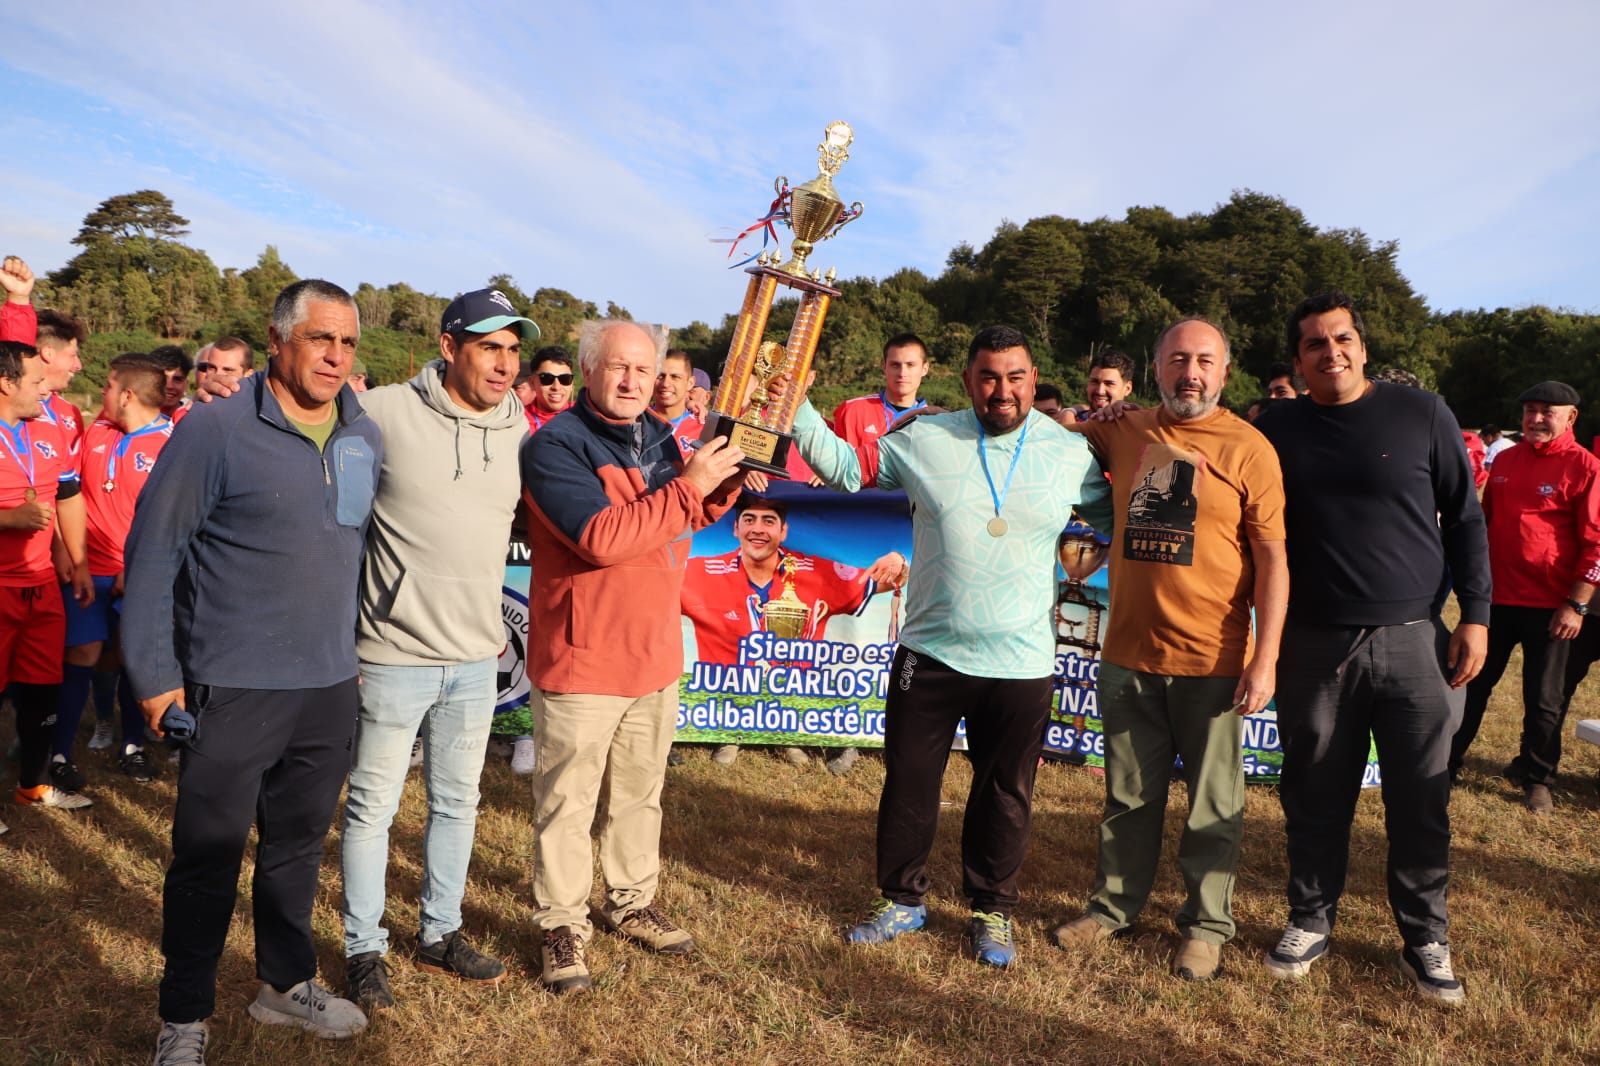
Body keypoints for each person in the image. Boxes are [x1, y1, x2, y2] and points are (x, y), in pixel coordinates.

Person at [792, 323, 1109, 968]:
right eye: (988, 377)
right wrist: (790, 399)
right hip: (930, 652)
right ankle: (902, 900)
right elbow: (851, 472)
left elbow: (1121, 514)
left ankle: (993, 910)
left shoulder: (1067, 451)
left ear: (1032, 379)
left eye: (1015, 377)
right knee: (909, 780)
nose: (1002, 390)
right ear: (966, 381)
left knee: (1006, 791)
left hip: (1021, 659)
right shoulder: (925, 435)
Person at [124, 279, 381, 1063]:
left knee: (298, 845)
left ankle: (283, 984)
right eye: (319, 339)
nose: (335, 356)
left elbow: (354, 550)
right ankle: (184, 1019)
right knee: (208, 854)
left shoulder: (361, 431)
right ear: (278, 341)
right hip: (232, 684)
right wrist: (154, 678)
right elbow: (152, 554)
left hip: (329, 687)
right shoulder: (216, 430)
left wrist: (355, 660)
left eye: (346, 342)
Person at [1252, 291, 1488, 1006]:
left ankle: (1424, 938)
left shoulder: (1423, 413)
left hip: (1416, 639)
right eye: (1316, 345)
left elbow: (1468, 520)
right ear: (1297, 360)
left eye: (1343, 338)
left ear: (1362, 343)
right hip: (1313, 644)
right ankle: (1310, 919)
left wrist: (1475, 615)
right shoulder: (1276, 427)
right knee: (1315, 792)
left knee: (1421, 799)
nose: (1333, 353)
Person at [1050, 318, 1287, 983]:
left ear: (1225, 369)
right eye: (1178, 359)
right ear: (1155, 368)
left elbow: (1273, 560)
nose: (1191, 372)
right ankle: (1112, 908)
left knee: (1213, 804)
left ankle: (1207, 926)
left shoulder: (1250, 448)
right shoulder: (1124, 428)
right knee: (1128, 796)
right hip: (1126, 654)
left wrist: (1265, 657)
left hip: (1211, 659)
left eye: (1204, 361)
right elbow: (1043, 425)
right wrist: (1084, 411)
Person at [520, 320, 745, 994]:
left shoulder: (659, 438)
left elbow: (681, 518)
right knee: (567, 801)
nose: (629, 381)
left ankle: (630, 900)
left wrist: (723, 487)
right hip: (583, 657)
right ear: (587, 370)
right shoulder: (554, 445)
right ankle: (561, 925)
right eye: (616, 367)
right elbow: (602, 537)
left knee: (640, 796)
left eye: (641, 371)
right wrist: (688, 486)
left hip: (652, 652)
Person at [339, 288, 538, 1010]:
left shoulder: (525, 430)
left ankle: (439, 934)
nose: (505, 363)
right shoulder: (382, 411)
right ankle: (363, 949)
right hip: (392, 653)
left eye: (514, 349)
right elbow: (338, 520)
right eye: (490, 346)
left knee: (458, 803)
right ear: (450, 346)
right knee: (372, 809)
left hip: (477, 659)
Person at [1449, 381, 1600, 812]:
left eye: (1547, 412)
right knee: (1468, 682)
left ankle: (1537, 779)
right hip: (1495, 600)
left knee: (1544, 699)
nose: (1535, 419)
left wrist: (1576, 604)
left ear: (1570, 418)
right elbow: (1484, 525)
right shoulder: (1506, 461)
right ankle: (1447, 760)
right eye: (1530, 410)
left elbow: (1597, 543)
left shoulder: (1586, 468)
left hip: (1553, 608)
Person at [679, 493, 906, 767]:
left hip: (790, 702)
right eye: (749, 519)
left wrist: (898, 560)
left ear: (783, 531)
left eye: (769, 521)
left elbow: (886, 581)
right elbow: (656, 581)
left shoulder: (811, 570)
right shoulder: (703, 570)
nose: (758, 529)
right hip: (727, 700)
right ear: (736, 528)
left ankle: (789, 735)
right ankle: (730, 735)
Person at [53, 356, 173, 789]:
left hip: (137, 577)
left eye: (106, 386)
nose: (100, 393)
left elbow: (173, 522)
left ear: (126, 394)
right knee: (81, 656)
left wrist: (139, 570)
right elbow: (66, 494)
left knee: (130, 659)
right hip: (88, 571)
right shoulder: (95, 432)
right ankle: (61, 752)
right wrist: (67, 552)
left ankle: (132, 746)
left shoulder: (172, 443)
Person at [0, 338, 91, 815]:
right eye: (36, 382)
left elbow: (68, 498)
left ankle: (33, 785)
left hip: (42, 589)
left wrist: (78, 561)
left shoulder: (49, 432)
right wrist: (7, 519)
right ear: (6, 382)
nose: (45, 392)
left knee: (42, 688)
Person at [506, 343, 576, 775]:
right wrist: (515, 400)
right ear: (532, 382)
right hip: (508, 537)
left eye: (563, 379)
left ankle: (535, 732)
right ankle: (513, 730)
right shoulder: (512, 418)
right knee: (504, 631)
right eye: (545, 378)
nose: (554, 386)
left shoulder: (581, 425)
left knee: (548, 636)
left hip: (557, 541)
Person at [831, 333, 931, 448]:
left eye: (910, 365)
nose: (902, 373)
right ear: (884, 367)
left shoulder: (935, 422)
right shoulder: (852, 411)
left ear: (924, 369)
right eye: (895, 365)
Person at [652, 348, 703, 459]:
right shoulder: (635, 421)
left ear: (690, 383)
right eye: (660, 376)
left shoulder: (703, 428)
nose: (665, 383)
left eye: (675, 377)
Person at [523, 345, 574, 433]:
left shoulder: (584, 416)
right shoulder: (519, 421)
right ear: (532, 382)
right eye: (547, 378)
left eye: (565, 379)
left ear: (572, 384)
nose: (556, 387)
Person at [1072, 349, 1136, 420]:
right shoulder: (1066, 424)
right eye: (1094, 382)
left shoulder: (1136, 427)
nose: (1100, 391)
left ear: (1127, 388)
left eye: (1109, 384)